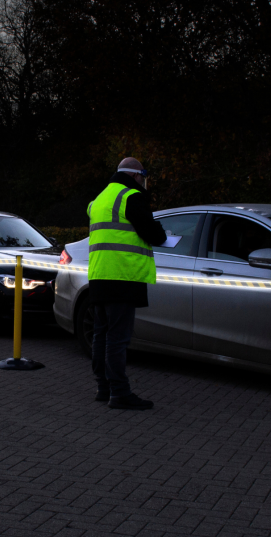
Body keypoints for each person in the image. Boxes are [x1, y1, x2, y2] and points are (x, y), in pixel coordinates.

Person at [87, 157, 167, 410]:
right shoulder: (132, 196)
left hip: (99, 276)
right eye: (143, 177)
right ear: (136, 175)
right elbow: (153, 233)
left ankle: (104, 387)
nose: (144, 182)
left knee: (101, 334)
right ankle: (120, 393)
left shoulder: (99, 199)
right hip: (123, 276)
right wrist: (161, 231)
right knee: (117, 339)